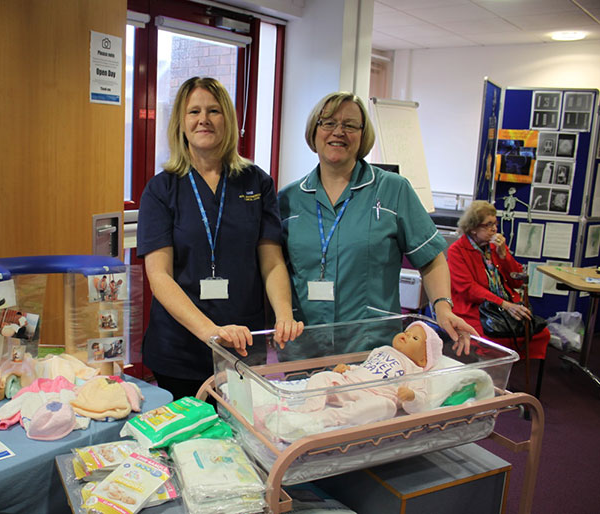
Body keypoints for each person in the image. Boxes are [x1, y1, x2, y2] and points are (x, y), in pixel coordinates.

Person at [136, 76, 303, 399]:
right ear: (180, 123)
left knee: (243, 440)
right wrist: (210, 332)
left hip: (243, 346)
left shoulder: (256, 182)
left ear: (227, 118)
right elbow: (159, 277)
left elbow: (272, 261)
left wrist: (284, 314)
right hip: (180, 349)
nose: (204, 119)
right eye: (193, 111)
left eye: (213, 111)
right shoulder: (162, 189)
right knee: (188, 444)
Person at [278, 91, 474, 354]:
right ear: (314, 130)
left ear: (363, 135)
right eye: (328, 123)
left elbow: (430, 257)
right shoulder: (288, 199)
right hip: (304, 344)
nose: (339, 132)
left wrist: (442, 306)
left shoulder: (393, 190)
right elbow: (273, 267)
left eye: (350, 125)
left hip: (371, 346)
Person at [265, 321, 444, 440]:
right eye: (406, 331)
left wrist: (411, 396)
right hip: (350, 384)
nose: (405, 335)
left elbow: (419, 404)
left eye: (415, 338)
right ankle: (307, 409)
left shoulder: (415, 370)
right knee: (322, 377)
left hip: (376, 396)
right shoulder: (382, 350)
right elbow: (366, 367)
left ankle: (321, 420)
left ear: (423, 359)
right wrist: (349, 369)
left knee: (385, 407)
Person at [447, 200, 550, 360]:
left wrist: (504, 256)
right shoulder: (457, 251)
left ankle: (512, 366)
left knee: (540, 332)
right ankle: (493, 370)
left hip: (504, 305)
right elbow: (468, 289)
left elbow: (517, 282)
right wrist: (505, 305)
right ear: (473, 228)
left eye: (495, 223)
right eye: (488, 225)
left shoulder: (496, 247)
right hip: (476, 308)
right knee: (489, 340)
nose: (494, 229)